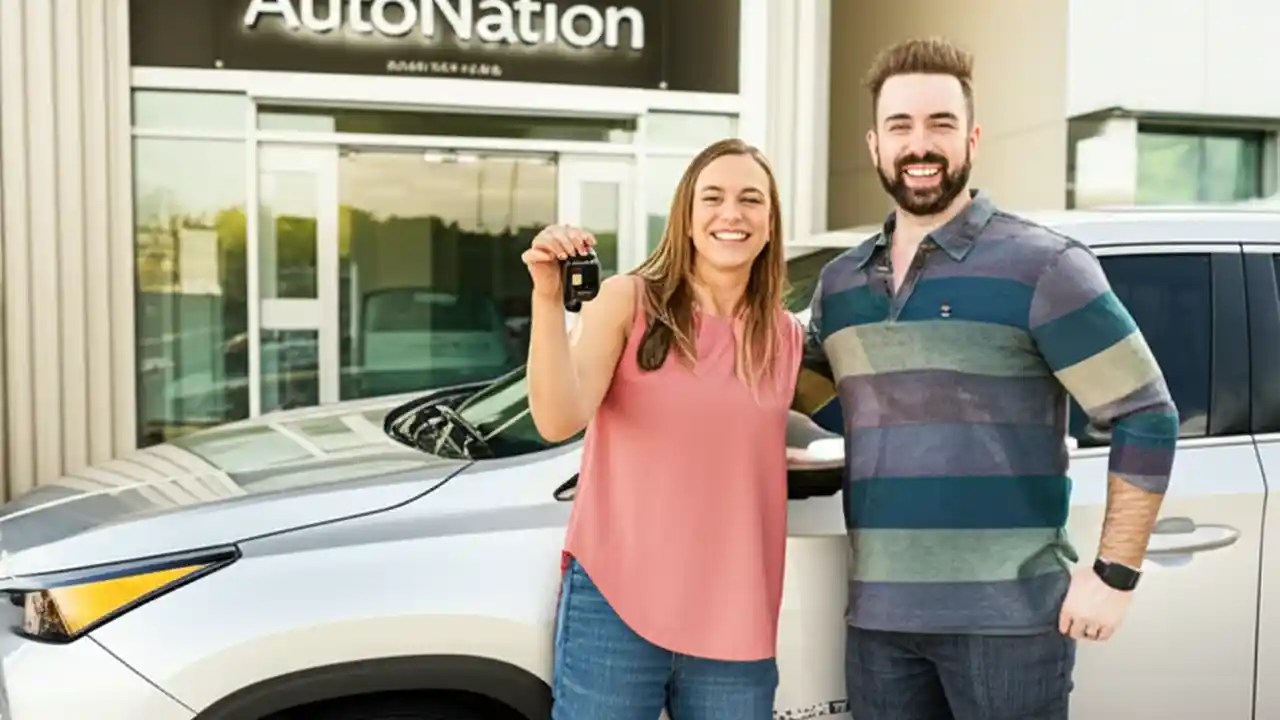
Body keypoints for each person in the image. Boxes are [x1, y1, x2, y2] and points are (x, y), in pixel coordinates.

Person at [798, 37, 1181, 719]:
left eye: (941, 124)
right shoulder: (841, 285)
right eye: (901, 126)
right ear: (874, 145)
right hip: (879, 625)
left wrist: (1115, 574)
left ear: (972, 138)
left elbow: (1145, 412)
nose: (921, 144)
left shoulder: (1044, 266)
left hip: (1009, 627)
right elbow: (782, 396)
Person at [523, 138, 808, 719]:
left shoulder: (785, 337)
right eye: (714, 197)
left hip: (737, 621)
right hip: (616, 607)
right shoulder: (627, 302)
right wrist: (548, 301)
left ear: (771, 223)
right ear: (686, 215)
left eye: (751, 199)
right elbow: (557, 419)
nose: (732, 213)